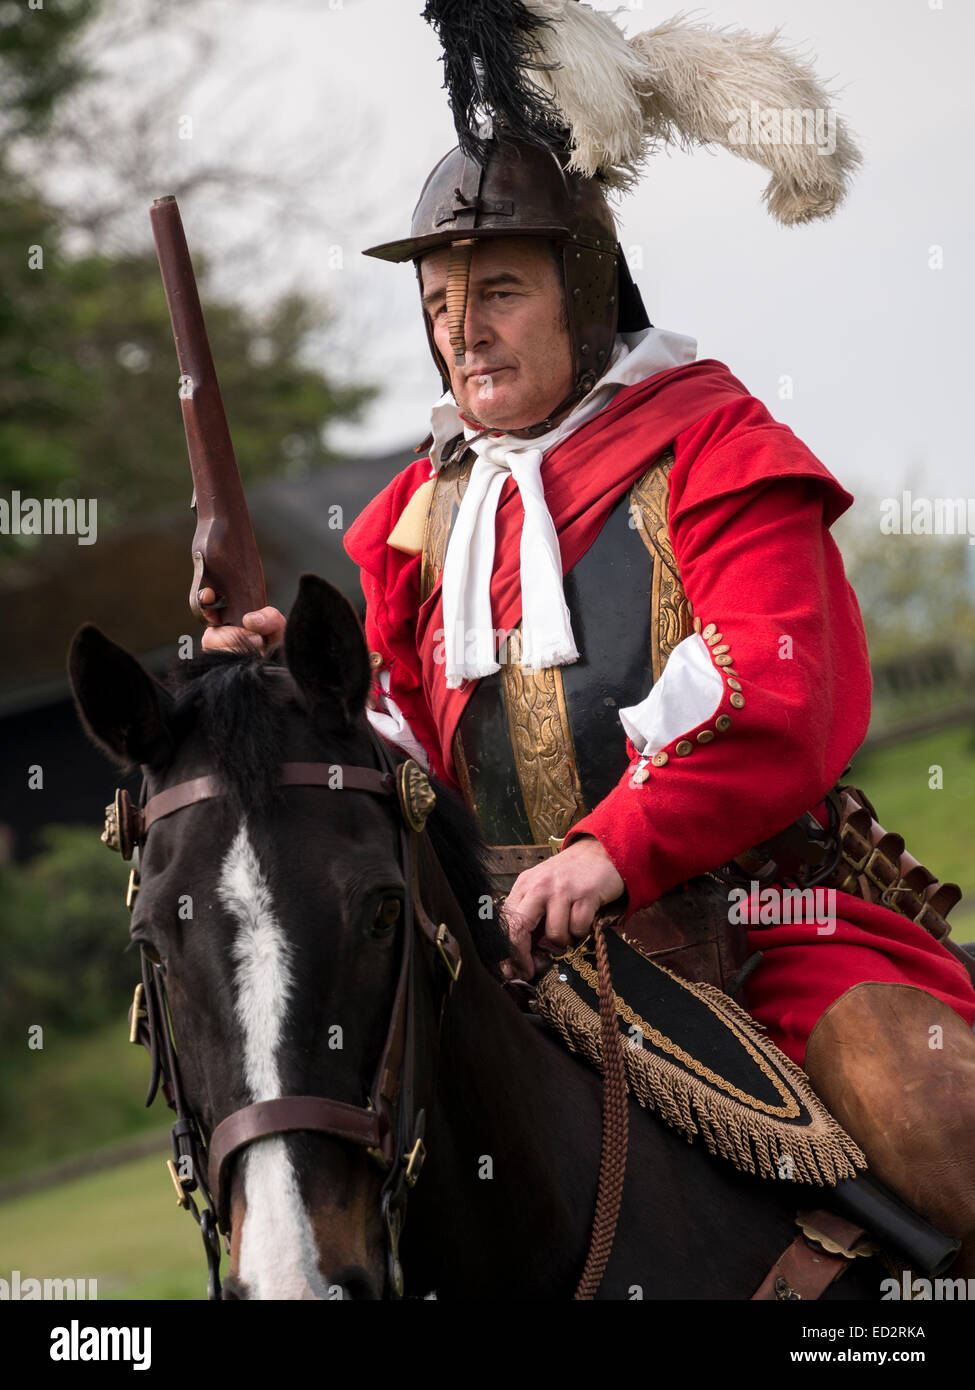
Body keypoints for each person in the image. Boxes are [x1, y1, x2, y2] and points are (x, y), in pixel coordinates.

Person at [203, 5, 975, 1278]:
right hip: (509, 960)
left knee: (928, 1109)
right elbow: (399, 732)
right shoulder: (413, 519)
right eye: (442, 300)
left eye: (500, 290)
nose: (465, 329)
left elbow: (773, 698)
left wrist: (611, 852)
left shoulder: (720, 455)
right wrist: (295, 677)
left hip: (747, 927)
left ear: (587, 288)